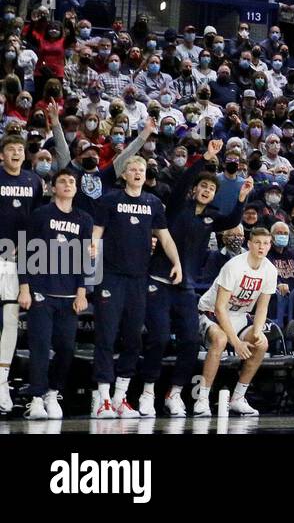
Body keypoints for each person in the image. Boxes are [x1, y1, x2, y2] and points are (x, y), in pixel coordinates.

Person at [140, 140, 243, 417]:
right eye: (203, 186)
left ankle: (174, 393)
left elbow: (232, 219)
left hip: (186, 289)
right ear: (195, 190)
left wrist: (243, 198)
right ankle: (147, 393)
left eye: (212, 188)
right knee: (159, 337)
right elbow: (184, 180)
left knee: (189, 341)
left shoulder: (211, 218)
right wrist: (205, 158)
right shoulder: (175, 207)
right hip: (158, 282)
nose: (207, 190)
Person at [91, 154, 183, 418]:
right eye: (132, 169)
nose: (137, 173)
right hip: (111, 276)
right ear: (124, 174)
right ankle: (103, 399)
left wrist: (176, 262)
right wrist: (93, 244)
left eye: (141, 169)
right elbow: (97, 230)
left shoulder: (153, 203)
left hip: (139, 278)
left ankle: (121, 398)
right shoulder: (110, 199)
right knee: (107, 336)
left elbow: (164, 238)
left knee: (133, 338)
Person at [18, 169, 92, 420]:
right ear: (52, 187)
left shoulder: (84, 219)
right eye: (63, 181)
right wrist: (24, 286)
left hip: (69, 296)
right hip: (40, 291)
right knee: (39, 347)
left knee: (66, 348)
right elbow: (26, 252)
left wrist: (82, 293)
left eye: (72, 181)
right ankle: (36, 398)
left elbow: (84, 260)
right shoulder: (40, 215)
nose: (68, 184)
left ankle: (52, 392)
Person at [194, 226, 278, 416]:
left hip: (239, 315)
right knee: (221, 340)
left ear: (270, 246)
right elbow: (220, 307)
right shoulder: (234, 266)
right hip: (210, 312)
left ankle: (238, 398)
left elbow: (262, 307)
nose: (261, 247)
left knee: (261, 343)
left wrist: (256, 332)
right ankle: (202, 399)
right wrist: (236, 342)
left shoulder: (270, 270)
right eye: (257, 242)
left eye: (266, 243)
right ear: (249, 244)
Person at [0, 133, 42, 412]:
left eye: (20, 149)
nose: (16, 153)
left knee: (10, 323)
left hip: (16, 262)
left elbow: (39, 221)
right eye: (10, 149)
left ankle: (2, 385)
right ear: (1, 154)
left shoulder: (34, 181)